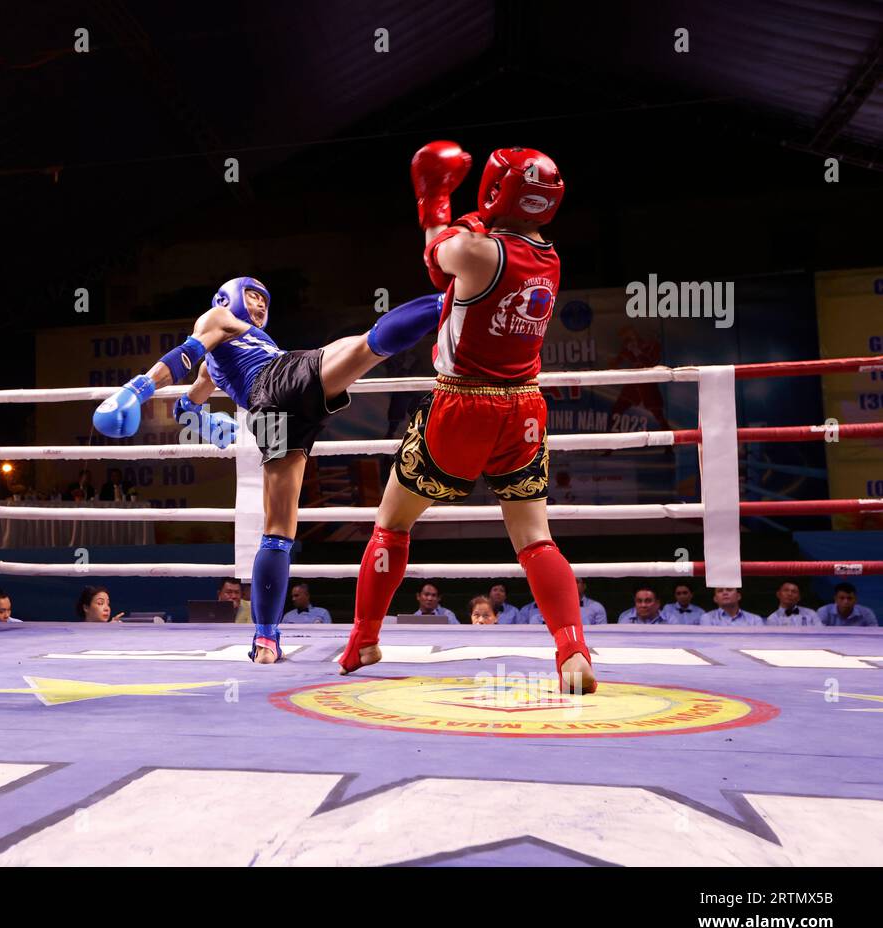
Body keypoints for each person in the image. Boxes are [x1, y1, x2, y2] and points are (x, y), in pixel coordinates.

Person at [338, 142, 596, 693]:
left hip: (463, 404)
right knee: (534, 539)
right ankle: (573, 651)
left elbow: (436, 260)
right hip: (524, 405)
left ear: (496, 190)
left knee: (393, 521)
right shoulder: (549, 257)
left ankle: (364, 638)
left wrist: (434, 197)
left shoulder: (477, 251)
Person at [93, 276, 443, 664]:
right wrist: (137, 389)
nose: (259, 306)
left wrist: (203, 419)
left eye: (264, 300)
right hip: (280, 381)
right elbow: (185, 354)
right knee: (366, 346)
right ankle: (452, 302)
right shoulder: (219, 318)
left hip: (273, 416)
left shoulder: (222, 358)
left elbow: (186, 403)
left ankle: (265, 640)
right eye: (252, 296)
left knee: (278, 531)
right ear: (228, 299)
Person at [525, 576, 606, 625]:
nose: (572, 584)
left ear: (584, 586)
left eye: (576, 581)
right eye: (570, 581)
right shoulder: (555, 606)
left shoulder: (597, 607)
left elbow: (603, 634)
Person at [699, 587, 764, 626]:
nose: (725, 593)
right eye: (720, 591)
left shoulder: (755, 620)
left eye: (729, 590)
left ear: (738, 596)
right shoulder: (707, 618)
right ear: (715, 599)